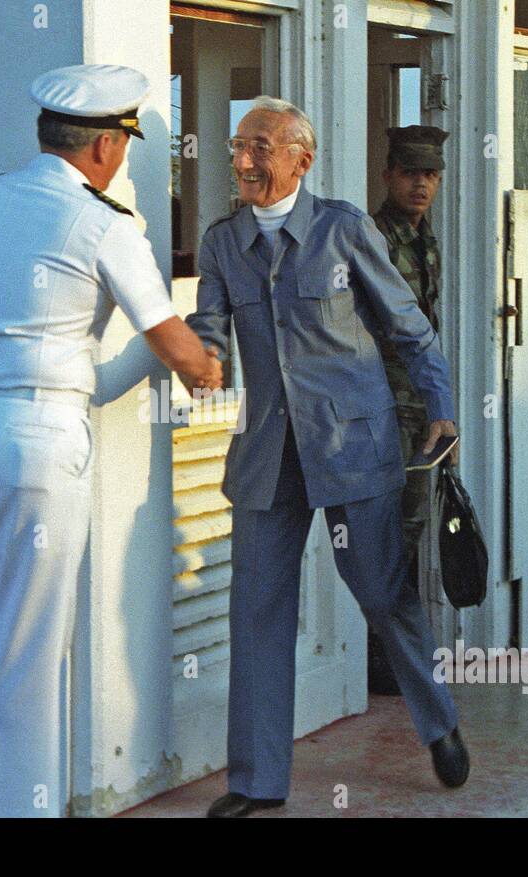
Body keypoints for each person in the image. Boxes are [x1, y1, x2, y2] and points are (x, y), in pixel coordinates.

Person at [0, 63, 221, 817]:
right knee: (32, 658)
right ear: (105, 146)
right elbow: (167, 338)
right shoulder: (105, 224)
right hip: (37, 445)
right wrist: (205, 365)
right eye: (125, 143)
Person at [185, 97, 468, 819]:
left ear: (301, 160)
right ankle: (256, 781)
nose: (244, 161)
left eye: (261, 148)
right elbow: (208, 325)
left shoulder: (344, 231)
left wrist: (440, 408)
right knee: (257, 610)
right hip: (269, 453)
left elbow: (409, 328)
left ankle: (436, 717)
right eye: (238, 147)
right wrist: (202, 358)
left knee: (379, 590)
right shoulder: (221, 242)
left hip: (353, 444)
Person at [368, 124, 451, 694]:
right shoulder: (373, 237)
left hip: (418, 407)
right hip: (385, 407)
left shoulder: (425, 238)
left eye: (431, 176)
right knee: (389, 533)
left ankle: (401, 654)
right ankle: (383, 661)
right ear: (389, 175)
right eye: (411, 174)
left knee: (414, 527)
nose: (421, 184)